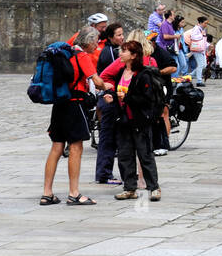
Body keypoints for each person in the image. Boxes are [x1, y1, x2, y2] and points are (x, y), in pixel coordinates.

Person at [39, 27, 102, 207]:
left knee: (56, 147)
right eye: (96, 41)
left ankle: (47, 193)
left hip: (59, 104)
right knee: (76, 148)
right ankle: (74, 193)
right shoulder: (81, 56)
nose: (97, 45)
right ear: (88, 42)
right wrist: (107, 87)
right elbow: (96, 80)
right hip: (75, 104)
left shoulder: (66, 53)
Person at [99, 40, 162, 201]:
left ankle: (154, 187)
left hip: (139, 119)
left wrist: (125, 97)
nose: (121, 54)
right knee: (124, 155)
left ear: (134, 56)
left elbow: (145, 99)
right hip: (123, 119)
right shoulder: (121, 72)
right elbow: (119, 93)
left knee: (144, 154)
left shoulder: (143, 74)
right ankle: (129, 187)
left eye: (125, 51)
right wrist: (112, 97)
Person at [93, 23, 125, 185]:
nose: (122, 37)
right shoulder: (110, 53)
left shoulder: (112, 50)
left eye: (122, 34)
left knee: (109, 137)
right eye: (118, 35)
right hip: (108, 98)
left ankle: (104, 173)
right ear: (111, 37)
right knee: (108, 137)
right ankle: (104, 173)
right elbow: (107, 76)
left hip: (109, 96)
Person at [186, 16, 210, 86]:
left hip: (200, 49)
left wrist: (208, 45)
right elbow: (193, 37)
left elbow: (203, 39)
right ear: (200, 23)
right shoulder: (196, 29)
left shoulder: (201, 29)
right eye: (205, 23)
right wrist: (201, 35)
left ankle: (190, 76)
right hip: (197, 49)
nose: (206, 25)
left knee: (203, 65)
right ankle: (199, 81)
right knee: (200, 65)